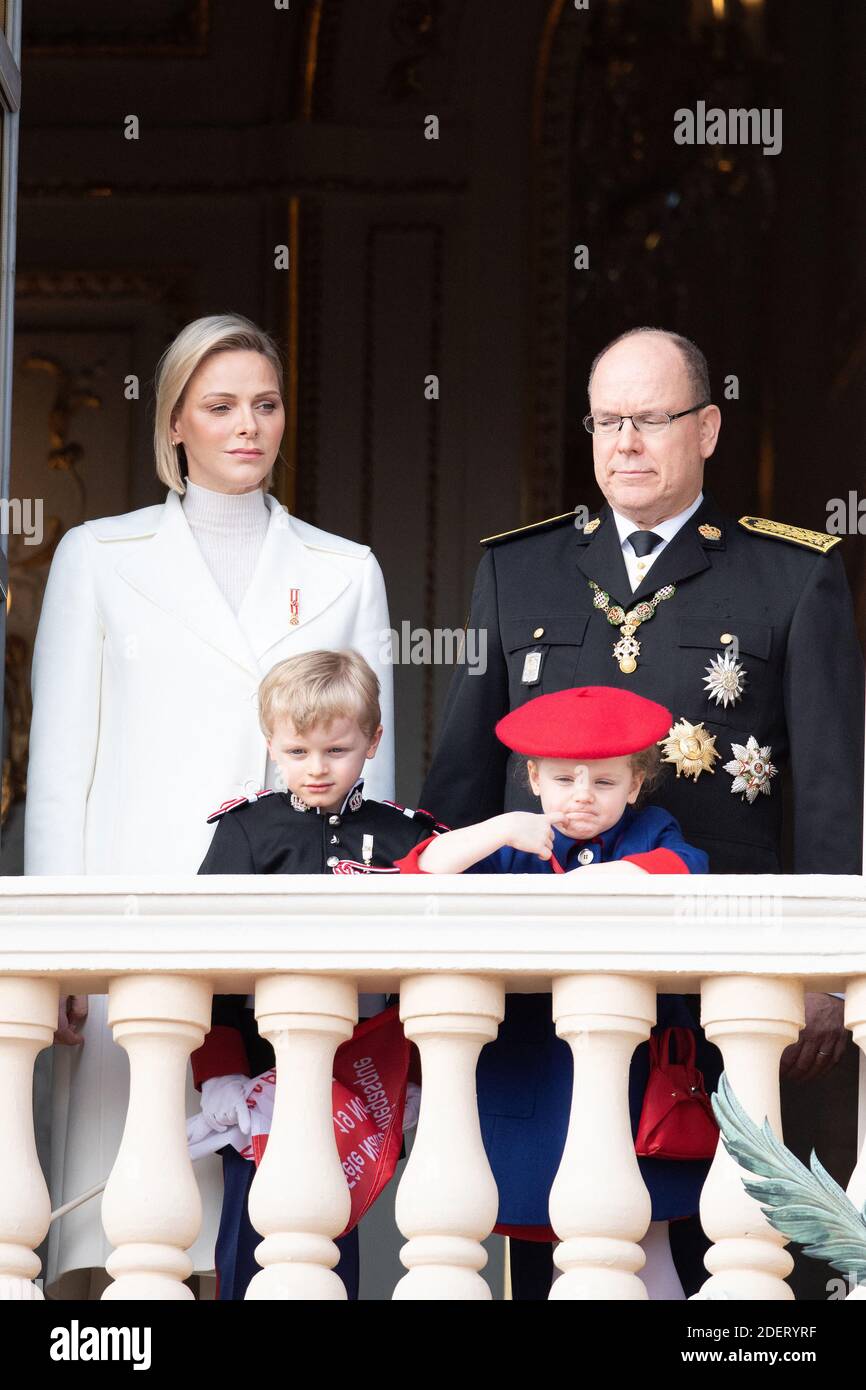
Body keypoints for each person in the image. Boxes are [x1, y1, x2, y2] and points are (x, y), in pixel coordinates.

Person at [419, 327, 865, 1294]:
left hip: (722, 988)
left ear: (706, 428)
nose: (624, 443)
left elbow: (831, 789)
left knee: (726, 1260)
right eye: (607, 421)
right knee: (551, 1240)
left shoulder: (791, 574)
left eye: (650, 420)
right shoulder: (519, 570)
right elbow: (460, 783)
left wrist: (829, 974)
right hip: (540, 987)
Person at [24, 314, 396, 1298]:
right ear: (175, 421)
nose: (247, 426)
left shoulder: (344, 567)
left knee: (273, 1223)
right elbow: (63, 766)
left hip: (291, 925)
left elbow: (372, 778)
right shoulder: (99, 555)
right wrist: (63, 947)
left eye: (265, 405)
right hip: (134, 920)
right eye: (221, 406)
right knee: (129, 1223)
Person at [398, 685, 720, 1299]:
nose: (582, 797)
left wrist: (606, 878)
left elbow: (687, 867)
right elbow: (419, 870)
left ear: (634, 784)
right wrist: (498, 829)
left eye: (603, 782)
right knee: (543, 1233)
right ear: (533, 779)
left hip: (627, 1069)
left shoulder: (650, 830)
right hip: (531, 1066)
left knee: (637, 1231)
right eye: (564, 779)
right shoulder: (515, 844)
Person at [191, 648, 446, 1299]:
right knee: (252, 1240)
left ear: (372, 742)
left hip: (359, 1071)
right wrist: (219, 1070)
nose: (317, 769)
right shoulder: (248, 831)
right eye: (298, 752)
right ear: (272, 745)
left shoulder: (402, 836)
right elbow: (209, 965)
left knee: (334, 1236)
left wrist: (410, 1075)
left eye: (336, 751)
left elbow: (429, 970)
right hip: (259, 1067)